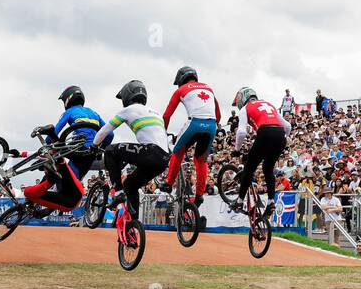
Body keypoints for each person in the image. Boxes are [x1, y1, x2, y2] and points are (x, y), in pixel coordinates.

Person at [92, 80, 171, 219]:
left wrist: (93, 146)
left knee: (110, 150)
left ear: (128, 96)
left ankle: (117, 193)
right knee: (130, 184)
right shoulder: (156, 113)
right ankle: (133, 226)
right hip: (163, 159)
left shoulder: (128, 110)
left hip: (151, 152)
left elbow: (104, 131)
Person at [22, 86, 107, 210]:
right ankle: (50, 175)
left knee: (60, 164)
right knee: (68, 178)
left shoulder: (69, 112)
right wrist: (100, 149)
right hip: (90, 152)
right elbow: (110, 134)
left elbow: (57, 130)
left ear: (68, 99)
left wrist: (48, 143)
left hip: (76, 149)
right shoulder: (94, 113)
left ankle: (43, 183)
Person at [161, 66, 221, 204]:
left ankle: (169, 184)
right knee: (201, 160)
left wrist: (163, 132)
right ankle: (199, 195)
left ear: (181, 79)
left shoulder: (181, 90)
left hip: (194, 123)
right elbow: (218, 115)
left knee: (178, 151)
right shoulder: (209, 88)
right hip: (211, 125)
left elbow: (166, 115)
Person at [232, 86, 291, 216]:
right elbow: (288, 126)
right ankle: (270, 202)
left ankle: (240, 200)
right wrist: (283, 138)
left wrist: (237, 150)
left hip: (265, 133)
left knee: (249, 168)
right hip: (280, 135)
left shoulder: (245, 108)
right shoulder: (269, 104)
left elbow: (241, 132)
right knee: (268, 168)